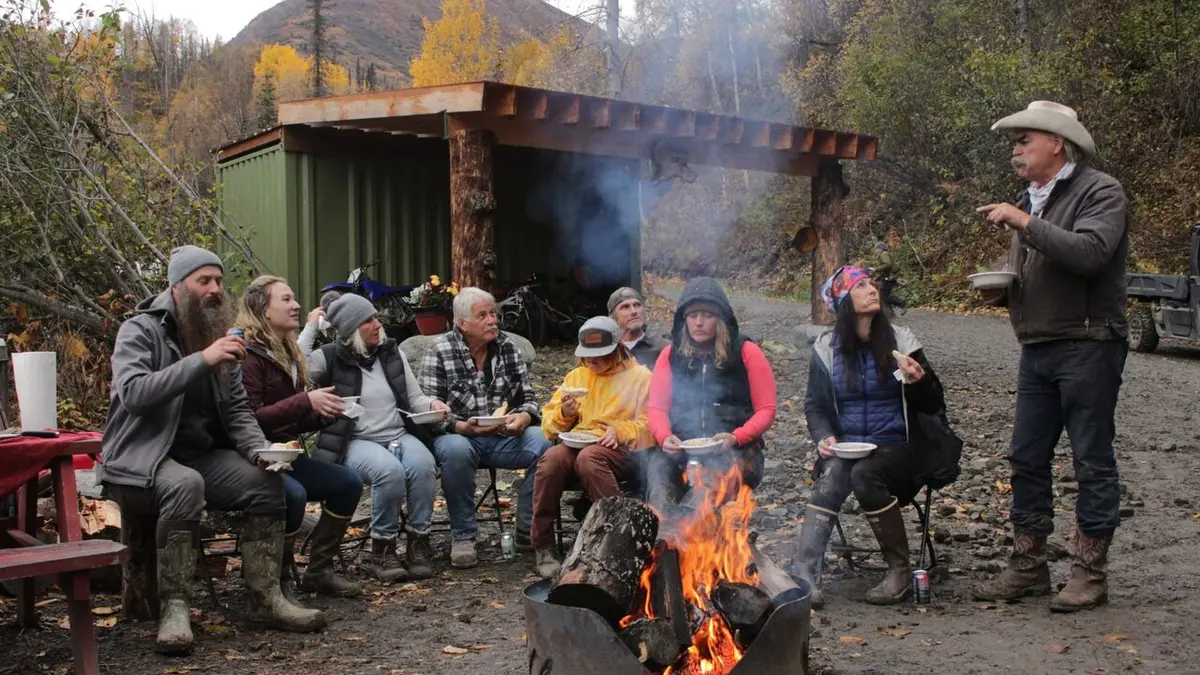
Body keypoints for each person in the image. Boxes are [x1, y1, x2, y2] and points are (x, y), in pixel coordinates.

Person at [99, 246, 323, 655]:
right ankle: (175, 610)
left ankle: (264, 599)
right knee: (185, 485)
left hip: (200, 455)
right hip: (142, 459)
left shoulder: (220, 334)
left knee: (266, 484)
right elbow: (134, 394)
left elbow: (238, 411)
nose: (216, 289)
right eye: (204, 281)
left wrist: (261, 452)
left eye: (219, 281)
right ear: (177, 286)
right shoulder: (140, 330)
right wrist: (202, 360)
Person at [971, 101, 1129, 612]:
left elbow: (1089, 253)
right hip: (1037, 344)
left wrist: (1022, 221)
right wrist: (1006, 291)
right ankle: (1029, 565)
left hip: (1089, 342)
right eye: (1014, 142)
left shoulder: (1100, 190)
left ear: (1057, 143)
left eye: (1024, 140)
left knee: (1091, 460)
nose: (1015, 150)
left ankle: (1089, 572)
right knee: (1026, 456)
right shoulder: (1033, 197)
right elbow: (1045, 268)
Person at [787, 265, 946, 607]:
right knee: (832, 474)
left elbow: (934, 404)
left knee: (864, 472)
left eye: (872, 284)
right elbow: (814, 406)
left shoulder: (902, 341)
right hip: (848, 448)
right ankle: (806, 570)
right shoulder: (827, 348)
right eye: (860, 286)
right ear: (844, 301)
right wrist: (824, 436)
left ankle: (898, 570)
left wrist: (920, 381)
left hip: (900, 451)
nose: (872, 289)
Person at [236, 275, 364, 599]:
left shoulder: (289, 352)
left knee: (348, 484)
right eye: (286, 300)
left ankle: (319, 572)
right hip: (256, 459)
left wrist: (322, 415)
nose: (296, 306)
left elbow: (291, 420)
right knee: (291, 495)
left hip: (289, 456)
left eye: (294, 299)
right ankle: (277, 584)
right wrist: (305, 400)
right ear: (263, 311)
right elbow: (250, 418)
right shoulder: (248, 358)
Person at [308, 294, 446, 583]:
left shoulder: (391, 352)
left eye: (375, 317)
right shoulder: (328, 357)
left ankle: (419, 542)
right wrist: (310, 329)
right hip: (353, 440)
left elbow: (415, 397)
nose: (377, 324)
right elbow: (293, 370)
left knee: (424, 465)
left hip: (396, 433)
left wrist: (432, 405)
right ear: (350, 329)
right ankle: (381, 549)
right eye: (367, 320)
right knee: (389, 471)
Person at [420, 287, 550, 568]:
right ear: (462, 323)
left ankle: (528, 530)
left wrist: (525, 418)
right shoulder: (440, 351)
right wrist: (460, 426)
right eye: (483, 315)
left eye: (493, 313)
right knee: (454, 450)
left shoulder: (508, 348)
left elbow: (528, 399)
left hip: (503, 436)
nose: (493, 320)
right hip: (459, 437)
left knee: (543, 442)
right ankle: (464, 536)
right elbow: (426, 410)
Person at [532, 316, 655, 578]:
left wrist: (620, 431)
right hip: (580, 444)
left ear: (616, 349)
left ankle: (620, 540)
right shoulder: (577, 376)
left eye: (599, 356)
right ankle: (543, 544)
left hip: (624, 453)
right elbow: (548, 426)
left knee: (590, 458)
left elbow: (651, 425)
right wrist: (564, 413)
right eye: (588, 356)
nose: (592, 362)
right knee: (551, 459)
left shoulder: (641, 377)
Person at [642, 277, 777, 512]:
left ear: (721, 318)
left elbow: (766, 410)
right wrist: (664, 437)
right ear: (684, 321)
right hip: (683, 448)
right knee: (658, 470)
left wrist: (737, 437)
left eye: (707, 315)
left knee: (708, 490)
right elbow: (657, 408)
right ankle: (661, 527)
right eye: (692, 316)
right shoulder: (670, 355)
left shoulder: (746, 352)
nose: (699, 323)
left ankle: (681, 532)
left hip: (738, 450)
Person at [607, 286, 668, 369]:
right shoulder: (607, 350)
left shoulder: (662, 348)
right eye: (625, 307)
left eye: (637, 305)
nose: (634, 311)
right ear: (613, 317)